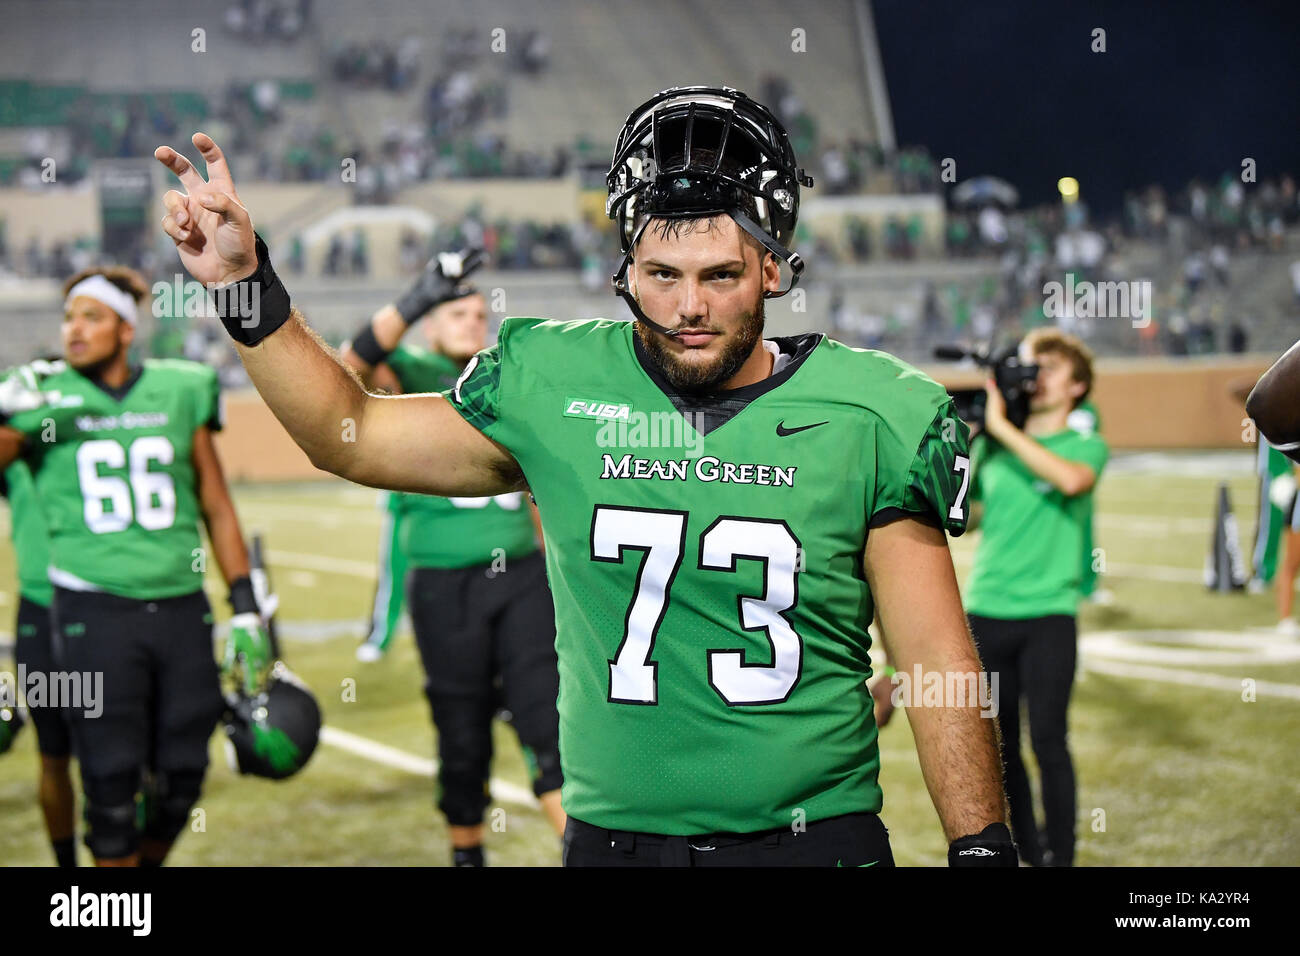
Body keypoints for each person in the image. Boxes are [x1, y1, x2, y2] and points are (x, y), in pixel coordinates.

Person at [154, 87, 1014, 867]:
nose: (689, 308)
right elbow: (351, 435)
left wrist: (982, 848)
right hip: (616, 845)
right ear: (624, 272)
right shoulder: (554, 383)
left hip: (813, 841)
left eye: (719, 276)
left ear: (772, 270)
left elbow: (937, 658)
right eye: (662, 275)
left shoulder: (871, 412)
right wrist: (240, 283)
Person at [0, 266, 272, 866]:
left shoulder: (181, 388)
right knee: (109, 778)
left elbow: (216, 505)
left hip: (180, 605)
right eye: (68, 317)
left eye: (90, 318)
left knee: (182, 774)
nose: (73, 330)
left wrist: (246, 606)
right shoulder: (41, 395)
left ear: (126, 330)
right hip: (90, 609)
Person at [341, 272, 565, 865]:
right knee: (462, 734)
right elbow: (350, 370)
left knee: (548, 720)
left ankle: (584, 853)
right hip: (443, 585)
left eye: (476, 313)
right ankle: (467, 854)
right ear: (433, 324)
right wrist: (415, 298)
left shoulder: (508, 378)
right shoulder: (410, 376)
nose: (472, 321)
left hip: (519, 577)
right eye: (456, 313)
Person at [963, 328, 1108, 867]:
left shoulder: (1085, 444)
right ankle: (1024, 849)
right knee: (1001, 749)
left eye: (1050, 369)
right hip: (987, 608)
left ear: (1078, 386)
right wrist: (973, 440)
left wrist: (1001, 428)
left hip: (1049, 613)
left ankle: (1062, 857)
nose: (1037, 378)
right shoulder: (996, 447)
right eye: (1032, 367)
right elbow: (969, 518)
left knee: (1049, 740)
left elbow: (1071, 482)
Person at [2, 440, 77, 865]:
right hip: (42, 610)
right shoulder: (14, 446)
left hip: (110, 608)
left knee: (122, 751)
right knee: (53, 752)